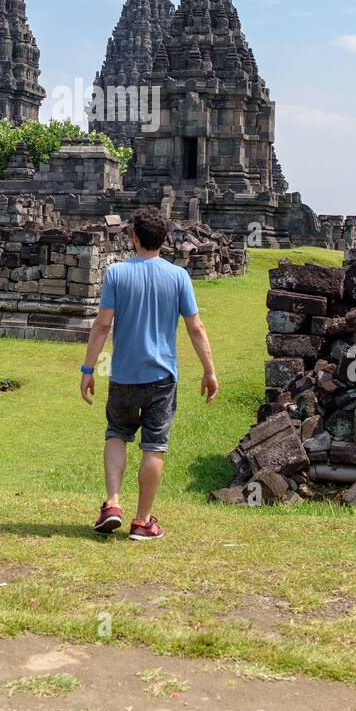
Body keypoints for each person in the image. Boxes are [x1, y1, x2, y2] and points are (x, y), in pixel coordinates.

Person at [79, 206, 218, 540]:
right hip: (162, 378)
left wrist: (88, 369)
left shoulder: (115, 274)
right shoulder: (178, 276)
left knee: (116, 433)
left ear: (134, 238)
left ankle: (113, 503)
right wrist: (209, 370)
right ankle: (142, 521)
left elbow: (101, 325)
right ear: (165, 240)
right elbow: (195, 328)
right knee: (154, 446)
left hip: (123, 374)